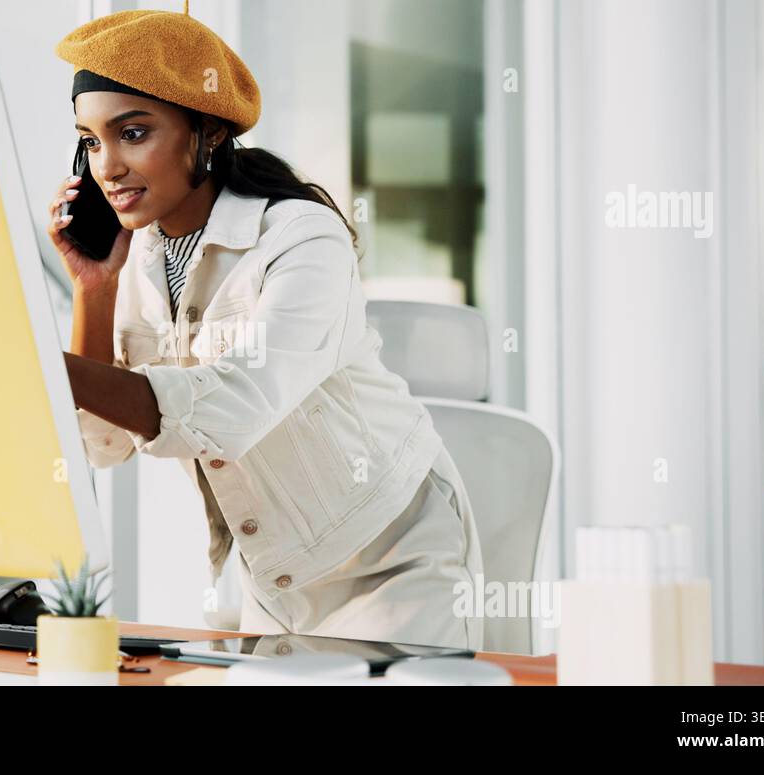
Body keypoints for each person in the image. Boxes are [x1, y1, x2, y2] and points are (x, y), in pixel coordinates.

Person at [50, 6, 483, 650]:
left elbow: (233, 406)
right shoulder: (142, 257)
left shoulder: (302, 237)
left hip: (393, 561)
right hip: (270, 576)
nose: (105, 166)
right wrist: (96, 291)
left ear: (209, 130)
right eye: (90, 140)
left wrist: (38, 362)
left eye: (132, 133)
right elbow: (102, 446)